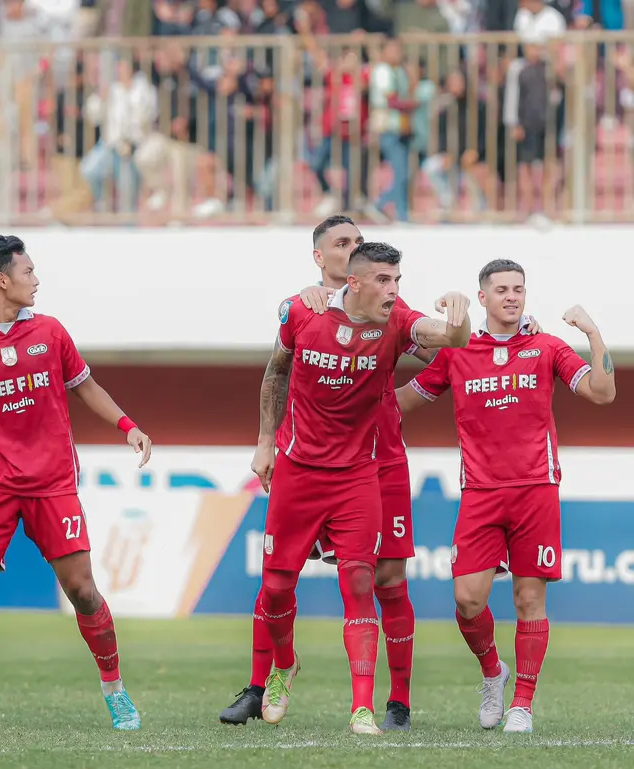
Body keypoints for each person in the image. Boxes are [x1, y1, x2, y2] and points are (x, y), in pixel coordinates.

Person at [252, 242, 472, 734]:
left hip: (357, 476)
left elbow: (448, 338)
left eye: (397, 280)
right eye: (383, 281)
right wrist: (266, 441)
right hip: (297, 471)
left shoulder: (396, 322)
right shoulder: (302, 315)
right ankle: (284, 667)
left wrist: (458, 314)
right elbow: (275, 373)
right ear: (353, 282)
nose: (393, 290)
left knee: (360, 583)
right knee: (275, 585)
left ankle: (362, 708)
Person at [396, 258, 616, 734]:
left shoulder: (546, 347)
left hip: (536, 488)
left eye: (518, 288)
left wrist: (593, 332)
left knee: (527, 599)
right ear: (483, 298)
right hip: (480, 492)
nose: (512, 296)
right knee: (467, 599)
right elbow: (402, 402)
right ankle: (493, 672)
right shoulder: (458, 353)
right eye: (501, 290)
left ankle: (522, 704)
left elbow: (603, 392)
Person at [0, 235, 152, 730]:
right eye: (28, 272)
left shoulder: (50, 331)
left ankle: (115, 690)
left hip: (52, 481)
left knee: (83, 590)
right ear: (2, 280)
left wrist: (129, 426)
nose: (36, 280)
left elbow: (84, 385)